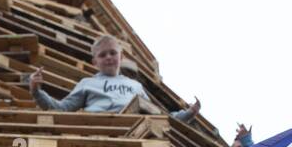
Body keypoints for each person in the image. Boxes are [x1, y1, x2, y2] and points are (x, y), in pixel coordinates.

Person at [28, 35, 202, 122]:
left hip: (134, 128)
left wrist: (187, 114)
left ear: (121, 56)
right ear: (94, 61)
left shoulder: (135, 86)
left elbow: (159, 115)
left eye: (113, 53)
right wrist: (37, 91)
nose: (109, 57)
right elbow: (62, 109)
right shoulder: (87, 84)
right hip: (98, 127)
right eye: (103, 55)